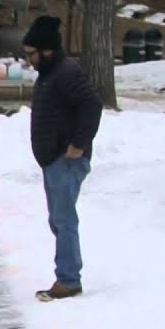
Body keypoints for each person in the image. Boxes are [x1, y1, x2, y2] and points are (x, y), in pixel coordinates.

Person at [22, 15, 104, 301]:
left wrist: (78, 144)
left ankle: (68, 279)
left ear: (47, 51)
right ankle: (67, 275)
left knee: (64, 219)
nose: (28, 59)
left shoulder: (66, 72)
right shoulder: (50, 75)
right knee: (58, 220)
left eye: (31, 53)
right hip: (53, 159)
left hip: (65, 160)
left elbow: (92, 104)